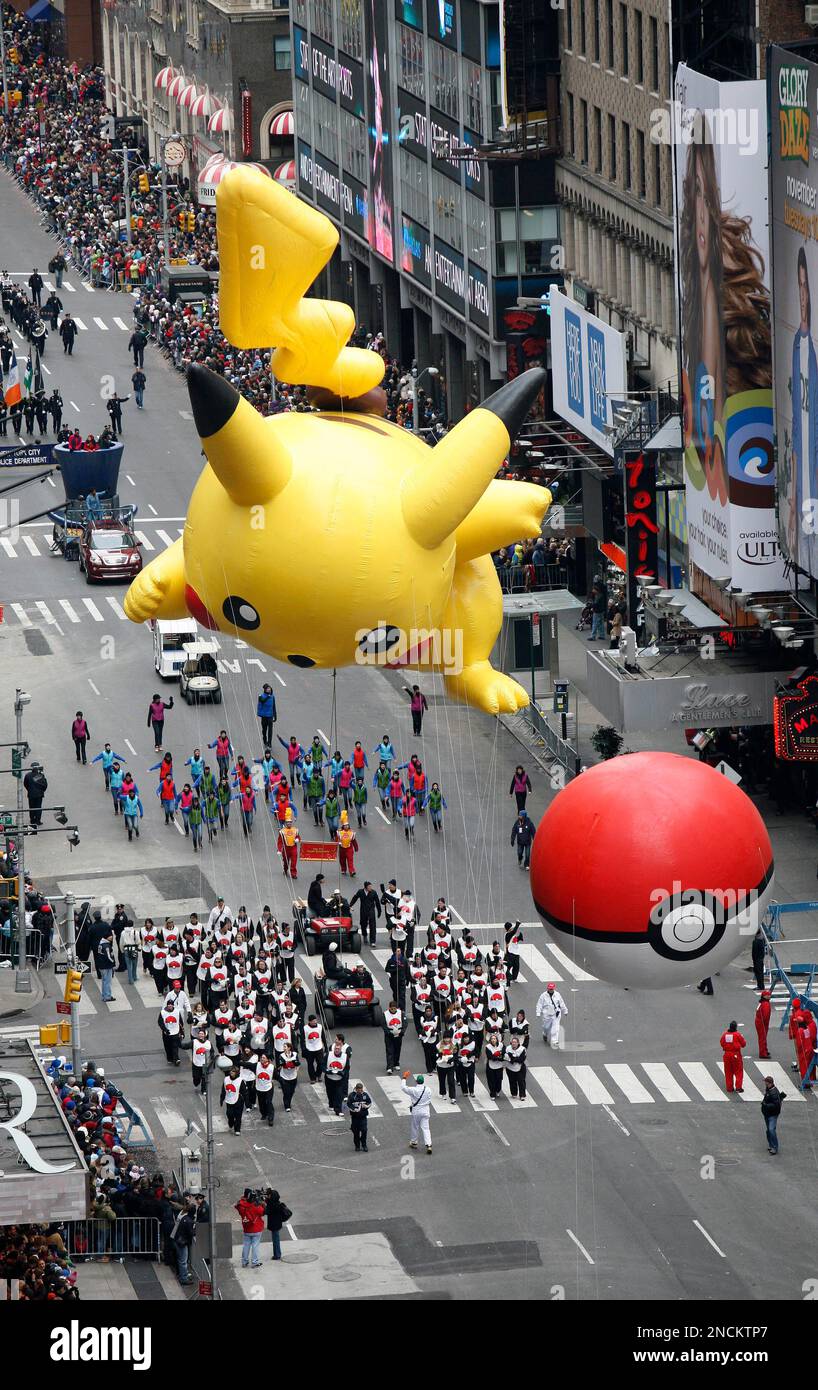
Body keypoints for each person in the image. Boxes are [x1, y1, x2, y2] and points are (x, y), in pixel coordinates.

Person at [401, 1072, 433, 1154]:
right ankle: (429, 1144)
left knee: (415, 1126)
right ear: (423, 1081)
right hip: (425, 1110)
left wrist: (404, 1077)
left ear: (416, 1081)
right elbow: (429, 1098)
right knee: (426, 1128)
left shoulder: (413, 1090)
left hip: (416, 1110)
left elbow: (403, 1088)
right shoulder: (428, 1089)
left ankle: (414, 1142)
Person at [235, 1190, 265, 1268]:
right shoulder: (256, 1206)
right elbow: (263, 1212)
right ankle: (254, 1262)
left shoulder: (241, 1206)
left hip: (247, 1229)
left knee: (246, 1245)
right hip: (256, 1229)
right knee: (255, 1246)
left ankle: (244, 1262)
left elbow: (237, 1205)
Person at [536, 983, 567, 1049]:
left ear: (554, 989)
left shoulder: (557, 995)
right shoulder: (543, 995)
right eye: (550, 989)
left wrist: (565, 1010)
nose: (551, 990)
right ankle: (545, 1033)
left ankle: (554, 1040)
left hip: (556, 1014)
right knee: (546, 1027)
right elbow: (539, 1004)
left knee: (555, 1027)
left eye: (552, 989)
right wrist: (538, 1012)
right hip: (547, 1014)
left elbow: (561, 1003)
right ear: (547, 988)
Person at [720, 1021, 747, 1094]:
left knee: (728, 1071)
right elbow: (743, 1044)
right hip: (735, 1054)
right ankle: (738, 1087)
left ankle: (729, 1088)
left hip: (727, 1054)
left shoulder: (725, 1034)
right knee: (738, 1071)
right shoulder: (737, 1035)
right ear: (735, 1027)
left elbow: (721, 1043)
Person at [264, 1188, 290, 1260]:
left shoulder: (272, 1205)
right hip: (278, 1224)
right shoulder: (276, 1203)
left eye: (269, 1195)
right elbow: (269, 1202)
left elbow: (265, 1211)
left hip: (274, 1225)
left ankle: (277, 1255)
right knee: (276, 1239)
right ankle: (277, 1254)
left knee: (275, 1240)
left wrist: (264, 1203)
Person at [761, 1076, 784, 1156]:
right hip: (767, 1114)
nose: (764, 1083)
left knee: (771, 1130)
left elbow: (776, 1105)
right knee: (768, 1130)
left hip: (772, 1114)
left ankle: (774, 1147)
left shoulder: (773, 1092)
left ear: (769, 1083)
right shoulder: (769, 1089)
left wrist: (766, 1105)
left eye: (765, 1082)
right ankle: (771, 1145)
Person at [221, 1066, 247, 1134]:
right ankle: (231, 1121)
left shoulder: (240, 1081)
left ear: (236, 1073)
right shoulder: (226, 1079)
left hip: (238, 1100)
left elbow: (244, 1092)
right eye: (231, 1071)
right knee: (229, 1113)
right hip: (229, 1100)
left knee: (238, 1115)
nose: (231, 1072)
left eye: (233, 1071)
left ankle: (237, 1129)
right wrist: (221, 1099)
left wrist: (247, 1104)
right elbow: (223, 1090)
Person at [383, 1000, 406, 1074]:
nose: (393, 1010)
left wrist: (402, 1032)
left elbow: (405, 1023)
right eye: (392, 1008)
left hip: (399, 1034)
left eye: (394, 1008)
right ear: (389, 1008)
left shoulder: (401, 1013)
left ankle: (396, 1063)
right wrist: (388, 1032)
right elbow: (383, 1025)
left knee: (397, 1049)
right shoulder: (385, 1014)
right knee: (390, 1050)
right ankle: (389, 1066)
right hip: (389, 1035)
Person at [347, 1082, 372, 1151]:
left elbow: (369, 1102)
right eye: (359, 1090)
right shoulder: (352, 1096)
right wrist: (354, 1109)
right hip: (355, 1117)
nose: (360, 1091)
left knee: (364, 1130)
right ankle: (357, 1146)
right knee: (356, 1132)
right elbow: (348, 1104)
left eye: (361, 1090)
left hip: (363, 1117)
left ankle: (364, 1145)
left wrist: (366, 1106)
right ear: (356, 1089)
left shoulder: (365, 1095)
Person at [23, 761, 48, 830]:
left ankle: (32, 819)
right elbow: (45, 785)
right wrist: (42, 791)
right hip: (39, 795)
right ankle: (38, 820)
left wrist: (29, 790)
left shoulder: (27, 775)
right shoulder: (40, 775)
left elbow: (25, 784)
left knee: (31, 807)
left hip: (31, 794)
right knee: (38, 807)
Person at [95, 930, 116, 1004]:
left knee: (104, 981)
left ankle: (104, 996)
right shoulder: (106, 946)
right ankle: (108, 996)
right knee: (108, 982)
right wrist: (113, 962)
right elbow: (109, 956)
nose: (112, 937)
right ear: (107, 937)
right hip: (106, 966)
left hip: (101, 965)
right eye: (110, 935)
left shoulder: (101, 944)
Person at [755, 989, 772, 1059]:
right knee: (763, 1038)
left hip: (759, 1021)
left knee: (762, 1037)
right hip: (762, 1023)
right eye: (768, 995)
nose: (769, 996)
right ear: (765, 996)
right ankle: (763, 1053)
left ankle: (764, 1050)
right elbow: (765, 1016)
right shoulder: (766, 1004)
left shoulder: (762, 1002)